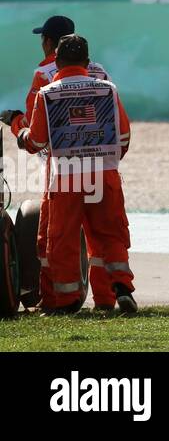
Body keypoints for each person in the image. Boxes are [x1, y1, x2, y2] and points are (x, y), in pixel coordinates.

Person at [15, 35, 135, 315]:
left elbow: (38, 141)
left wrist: (22, 136)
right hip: (104, 173)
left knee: (63, 238)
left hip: (66, 177)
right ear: (86, 61)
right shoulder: (108, 89)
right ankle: (121, 287)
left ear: (56, 61)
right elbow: (125, 135)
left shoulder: (48, 93)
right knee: (110, 234)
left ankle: (67, 300)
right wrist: (109, 161)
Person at [2, 15, 115, 311]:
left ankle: (56, 299)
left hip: (61, 168)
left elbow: (35, 129)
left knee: (55, 234)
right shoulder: (100, 72)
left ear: (50, 42)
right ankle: (108, 297)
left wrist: (14, 123)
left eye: (43, 40)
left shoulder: (43, 75)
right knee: (102, 232)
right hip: (101, 163)